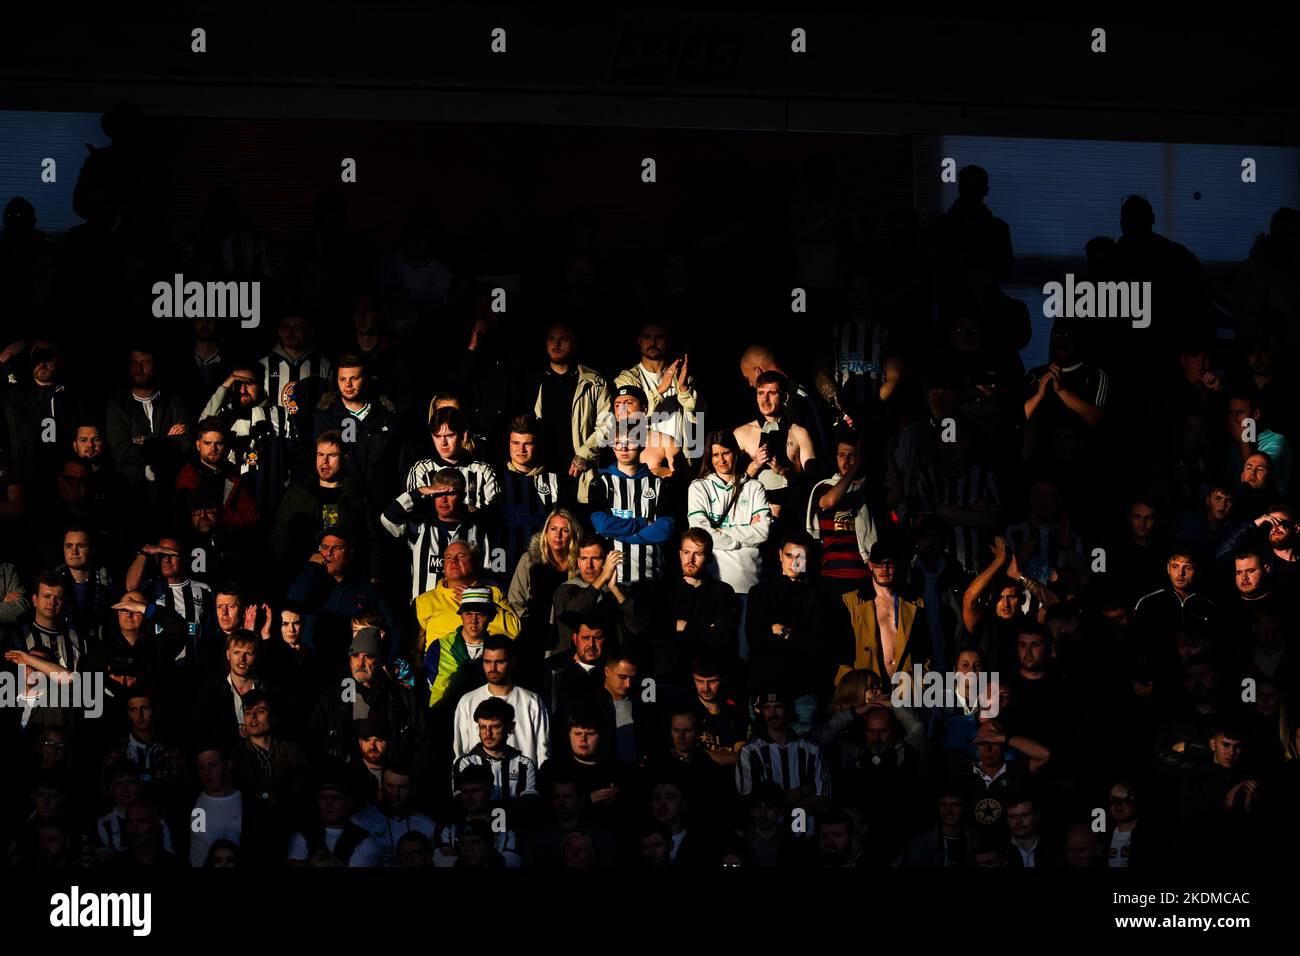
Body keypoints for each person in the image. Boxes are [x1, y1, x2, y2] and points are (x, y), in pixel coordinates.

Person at [688, 430, 771, 651]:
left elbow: (763, 532)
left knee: (745, 653)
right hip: (713, 585)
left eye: (726, 453)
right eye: (715, 455)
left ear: (735, 453)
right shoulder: (699, 487)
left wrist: (721, 530)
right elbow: (699, 535)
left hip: (749, 584)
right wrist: (742, 536)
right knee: (714, 655)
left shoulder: (754, 487)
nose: (721, 460)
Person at [200, 359, 296, 518]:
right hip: (232, 506)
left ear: (261, 383)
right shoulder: (225, 414)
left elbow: (294, 459)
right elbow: (203, 426)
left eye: (249, 383)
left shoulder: (281, 414)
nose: (242, 390)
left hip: (273, 504)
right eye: (237, 383)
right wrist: (227, 384)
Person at [383, 467, 494, 603]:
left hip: (465, 611)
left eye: (450, 494)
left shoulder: (477, 530)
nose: (443, 499)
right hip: (425, 613)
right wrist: (421, 491)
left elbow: (487, 571)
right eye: (438, 494)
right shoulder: (420, 526)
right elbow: (388, 518)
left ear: (463, 497)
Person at [530, 322, 613, 505]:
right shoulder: (534, 381)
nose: (556, 344)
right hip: (544, 470)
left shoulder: (594, 382)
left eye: (563, 339)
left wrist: (585, 453)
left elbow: (608, 424)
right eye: (551, 339)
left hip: (581, 470)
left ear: (575, 343)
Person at [588, 423, 677, 588]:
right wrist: (642, 523)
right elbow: (601, 525)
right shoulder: (600, 483)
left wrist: (618, 535)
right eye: (618, 443)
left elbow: (665, 529)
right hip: (615, 581)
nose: (624, 448)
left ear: (642, 445)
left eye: (630, 442)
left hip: (653, 578)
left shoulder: (659, 484)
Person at [271, 431, 374, 575]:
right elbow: (280, 537)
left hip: (347, 577)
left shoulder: (358, 495)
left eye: (332, 455)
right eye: (320, 455)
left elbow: (372, 539)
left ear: (345, 458)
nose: (324, 461)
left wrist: (374, 576)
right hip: (302, 574)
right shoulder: (296, 494)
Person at [837, 533, 927, 685]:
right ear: (870, 564)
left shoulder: (916, 603)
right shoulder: (851, 602)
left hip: (906, 687)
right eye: (879, 563)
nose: (884, 568)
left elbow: (925, 649)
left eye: (890, 563)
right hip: (867, 689)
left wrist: (920, 683)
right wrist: (856, 689)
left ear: (897, 565)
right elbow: (841, 652)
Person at [614, 319, 704, 465]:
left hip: (680, 461)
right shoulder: (627, 379)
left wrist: (684, 390)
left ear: (668, 341)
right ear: (639, 341)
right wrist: (660, 390)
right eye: (647, 337)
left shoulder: (682, 376)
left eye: (659, 337)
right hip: (645, 463)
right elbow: (625, 422)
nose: (653, 342)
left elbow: (699, 420)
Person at [735, 688, 831, 824]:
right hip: (767, 837)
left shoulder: (812, 750)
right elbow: (749, 801)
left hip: (806, 835)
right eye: (767, 707)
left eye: (778, 707)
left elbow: (824, 801)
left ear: (789, 710)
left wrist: (777, 805)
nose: (772, 713)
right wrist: (801, 792)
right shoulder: (749, 752)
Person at [450, 636, 550, 767]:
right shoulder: (467, 702)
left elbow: (543, 753)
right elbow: (459, 753)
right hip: (478, 785)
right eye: (487, 661)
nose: (492, 668)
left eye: (499, 662)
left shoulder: (532, 702)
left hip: (524, 785)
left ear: (512, 662)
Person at [312, 354, 398, 505]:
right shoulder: (326, 419)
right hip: (340, 502)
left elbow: (399, 463)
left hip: (381, 502)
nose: (348, 385)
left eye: (354, 378)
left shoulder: (385, 416)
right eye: (342, 379)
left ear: (365, 379)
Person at [733, 372, 818, 520]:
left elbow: (813, 482)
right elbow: (729, 482)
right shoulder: (741, 433)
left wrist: (783, 471)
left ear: (784, 397)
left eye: (771, 393)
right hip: (752, 517)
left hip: (792, 515)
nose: (765, 399)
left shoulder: (799, 433)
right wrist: (755, 464)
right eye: (761, 393)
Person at [414, 540, 520, 656]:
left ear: (475, 563)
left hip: (485, 669)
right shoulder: (424, 601)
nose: (453, 561)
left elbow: (514, 631)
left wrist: (477, 600)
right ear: (444, 565)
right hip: (443, 671)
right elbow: (413, 650)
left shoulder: (494, 593)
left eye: (461, 556)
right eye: (448, 557)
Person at [105, 345, 189, 491]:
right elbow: (121, 451)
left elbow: (184, 444)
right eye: (134, 362)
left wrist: (141, 440)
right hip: (131, 488)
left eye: (146, 362)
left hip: (171, 486)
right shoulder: (118, 404)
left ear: (156, 365)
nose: (139, 368)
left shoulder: (173, 401)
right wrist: (166, 441)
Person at [806, 428, 878, 591]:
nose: (846, 461)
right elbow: (830, 501)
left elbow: (896, 495)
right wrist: (855, 466)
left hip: (865, 575)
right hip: (833, 576)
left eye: (852, 455)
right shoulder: (825, 486)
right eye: (841, 455)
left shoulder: (867, 488)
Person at [550, 536, 641, 657]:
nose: (589, 565)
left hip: (612, 665)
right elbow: (570, 615)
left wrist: (614, 589)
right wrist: (603, 577)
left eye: (596, 558)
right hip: (572, 666)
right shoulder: (566, 590)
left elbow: (638, 628)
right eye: (584, 558)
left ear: (607, 561)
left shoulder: (618, 590)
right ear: (577, 561)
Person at [498, 413, 566, 571]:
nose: (521, 449)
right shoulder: (495, 477)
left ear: (537, 445)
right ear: (508, 443)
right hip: (503, 562)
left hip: (543, 565)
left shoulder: (555, 479)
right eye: (515, 442)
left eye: (527, 443)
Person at [453, 697, 539, 804]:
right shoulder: (465, 763)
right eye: (483, 727)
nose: (488, 733)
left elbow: (529, 807)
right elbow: (462, 806)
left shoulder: (525, 765)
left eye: (495, 726)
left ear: (510, 727)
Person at [350, 763, 437, 867]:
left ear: (412, 789)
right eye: (390, 786)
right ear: (381, 786)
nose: (395, 793)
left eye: (402, 787)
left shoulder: (427, 825)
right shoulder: (360, 821)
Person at [286, 771, 380, 867]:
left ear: (349, 801)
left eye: (336, 798)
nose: (329, 804)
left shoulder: (364, 840)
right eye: (323, 798)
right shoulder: (302, 835)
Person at [189, 747, 244, 867]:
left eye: (212, 765)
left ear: (228, 765)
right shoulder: (190, 803)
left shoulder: (247, 803)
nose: (206, 772)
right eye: (202, 768)